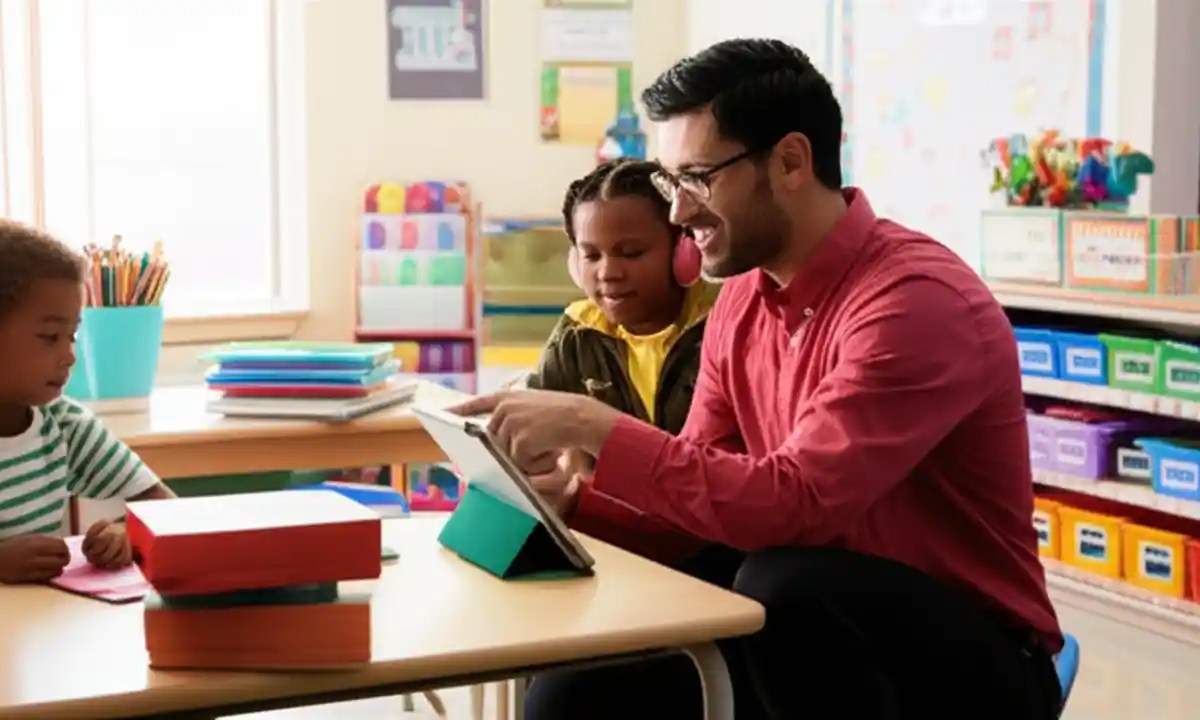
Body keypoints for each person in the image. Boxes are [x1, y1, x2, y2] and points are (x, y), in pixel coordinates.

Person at [453, 39, 1063, 720]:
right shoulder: (742, 299)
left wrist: (597, 429)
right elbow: (697, 490)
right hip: (813, 637)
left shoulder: (914, 303)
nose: (679, 212)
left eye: (697, 178)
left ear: (792, 162)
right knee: (573, 696)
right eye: (669, 182)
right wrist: (567, 507)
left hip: (973, 661)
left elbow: (796, 503)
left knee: (783, 576)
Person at [0, 220, 175, 584]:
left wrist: (126, 532)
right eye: (50, 337)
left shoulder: (65, 425)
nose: (70, 356)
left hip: (43, 629)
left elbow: (166, 508)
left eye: (71, 336)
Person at [526, 158, 732, 571]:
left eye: (632, 253)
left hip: (703, 547)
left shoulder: (722, 327)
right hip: (607, 542)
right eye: (591, 255)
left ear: (684, 250)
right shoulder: (576, 333)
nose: (609, 273)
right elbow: (532, 421)